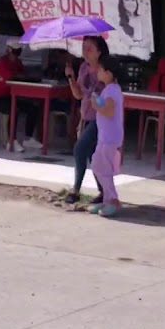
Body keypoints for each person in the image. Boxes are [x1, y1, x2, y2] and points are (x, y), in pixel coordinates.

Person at [64, 35, 110, 205]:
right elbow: (78, 94)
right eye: (83, 48)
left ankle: (76, 189)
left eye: (89, 48)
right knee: (92, 155)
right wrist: (70, 77)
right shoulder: (83, 68)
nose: (85, 52)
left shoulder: (106, 70)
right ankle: (104, 191)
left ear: (99, 52)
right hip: (86, 116)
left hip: (101, 118)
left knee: (79, 149)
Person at [88, 54, 125, 217]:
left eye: (101, 69)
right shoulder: (111, 89)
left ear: (108, 73)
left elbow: (109, 111)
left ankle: (113, 200)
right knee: (98, 166)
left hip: (109, 138)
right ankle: (107, 199)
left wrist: (96, 105)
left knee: (103, 168)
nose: (98, 71)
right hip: (107, 137)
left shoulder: (111, 90)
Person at [0, 39, 40, 151]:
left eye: (19, 49)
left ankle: (28, 138)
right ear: (9, 50)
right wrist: (20, 76)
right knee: (14, 109)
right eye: (15, 49)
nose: (17, 51)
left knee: (34, 106)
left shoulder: (18, 63)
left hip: (11, 96)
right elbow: (10, 77)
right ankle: (12, 141)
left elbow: (24, 75)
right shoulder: (2, 62)